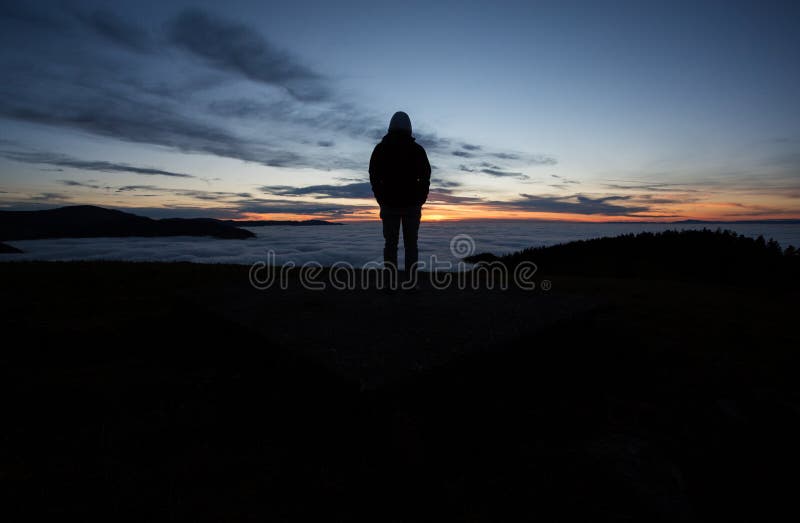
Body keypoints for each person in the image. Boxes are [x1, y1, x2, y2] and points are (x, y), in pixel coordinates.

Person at [369, 111, 431, 285]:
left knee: (391, 245)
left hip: (389, 205)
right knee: (411, 245)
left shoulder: (380, 149)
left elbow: (373, 175)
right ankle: (411, 283)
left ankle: (390, 283)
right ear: (409, 128)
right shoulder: (418, 150)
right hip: (411, 206)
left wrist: (380, 197)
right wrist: (421, 198)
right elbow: (426, 176)